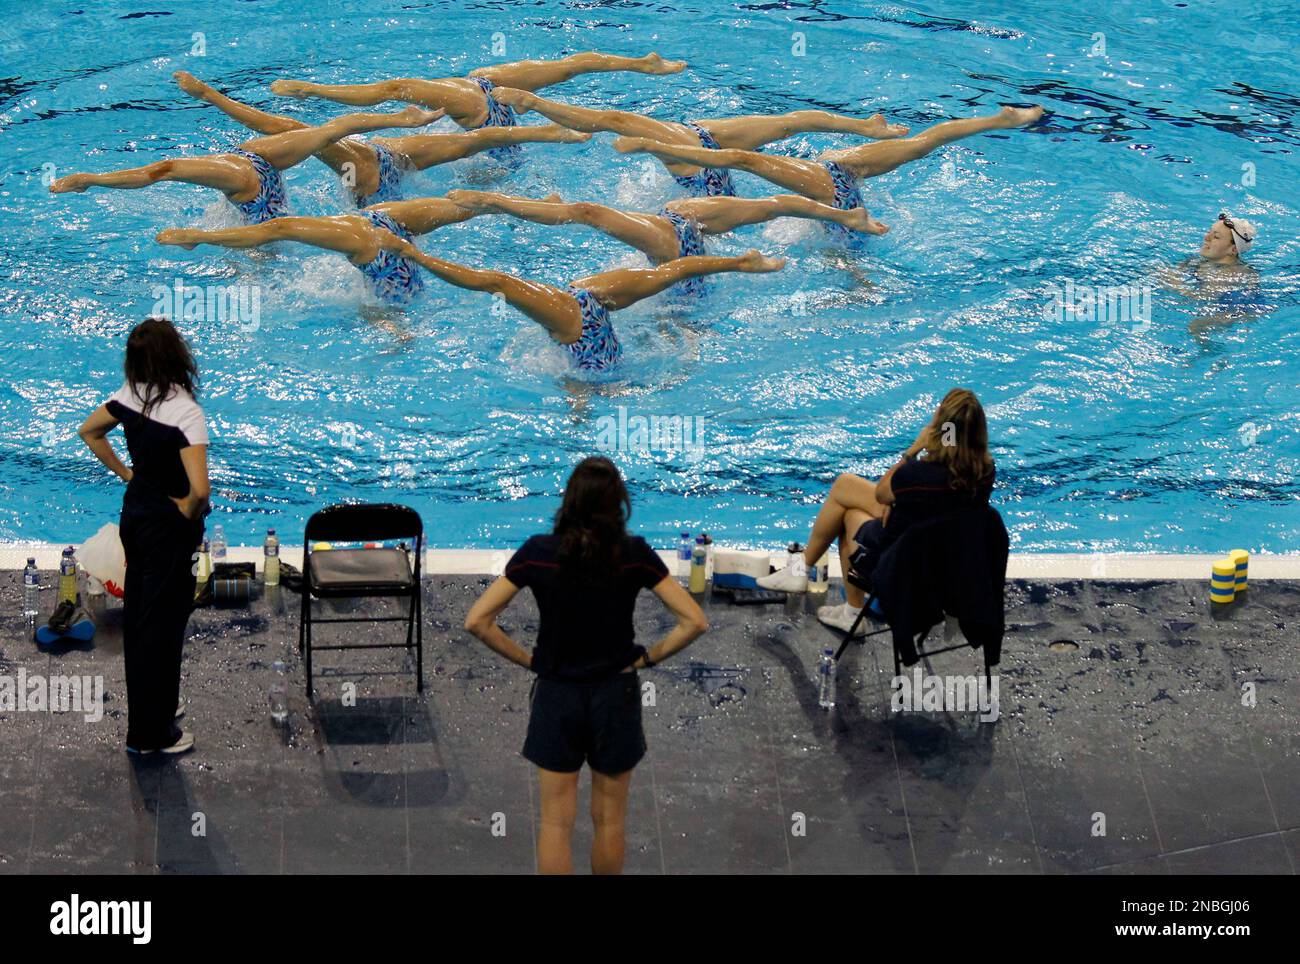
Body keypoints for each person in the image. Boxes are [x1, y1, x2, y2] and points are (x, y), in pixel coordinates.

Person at [464, 456, 708, 874]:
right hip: (616, 693)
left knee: (556, 823)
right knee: (610, 821)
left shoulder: (537, 553)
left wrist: (530, 660)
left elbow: (477, 621)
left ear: (569, 502)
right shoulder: (633, 555)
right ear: (619, 504)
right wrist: (647, 659)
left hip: (558, 693)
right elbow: (695, 621)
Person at [757, 388, 996, 635]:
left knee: (847, 513)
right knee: (845, 485)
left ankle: (846, 607)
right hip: (950, 574)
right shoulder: (985, 473)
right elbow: (941, 492)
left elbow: (883, 492)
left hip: (904, 572)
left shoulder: (917, 475)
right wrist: (901, 501)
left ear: (943, 425)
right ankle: (802, 571)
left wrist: (914, 450)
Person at [77, 318, 211, 755]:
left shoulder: (129, 396)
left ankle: (156, 712)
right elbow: (200, 490)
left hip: (135, 517)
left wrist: (127, 474)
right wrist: (186, 512)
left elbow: (89, 431)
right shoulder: (185, 411)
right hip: (168, 532)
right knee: (164, 627)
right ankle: (150, 736)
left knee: (141, 620)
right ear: (175, 355)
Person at [610, 105, 1045, 236]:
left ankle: (999, 121)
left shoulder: (842, 222)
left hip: (835, 183)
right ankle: (997, 120)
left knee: (919, 145)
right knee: (921, 143)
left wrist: (651, 145)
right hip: (838, 178)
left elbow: (743, 165)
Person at [174, 71, 590, 207]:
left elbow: (274, 125)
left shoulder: (309, 145)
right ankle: (547, 138)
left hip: (375, 179)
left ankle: (542, 155)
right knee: (471, 149)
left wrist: (209, 95)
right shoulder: (478, 92)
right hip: (391, 155)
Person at [390, 238, 785, 371]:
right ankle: (739, 262)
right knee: (669, 273)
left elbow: (576, 381)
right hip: (587, 303)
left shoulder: (603, 380)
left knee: (499, 284)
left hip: (579, 316)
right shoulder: (607, 379)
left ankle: (415, 255)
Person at [444, 188, 888, 294]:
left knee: (584, 213)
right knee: (584, 212)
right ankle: (500, 202)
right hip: (682, 241)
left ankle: (497, 202)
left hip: (681, 245)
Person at [48, 105, 441, 222]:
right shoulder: (272, 154)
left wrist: (92, 179)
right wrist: (401, 120)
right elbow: (336, 126)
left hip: (256, 229)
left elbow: (162, 170)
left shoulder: (235, 173)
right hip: (278, 217)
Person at [489, 87, 908, 197]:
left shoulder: (705, 207)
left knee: (615, 121)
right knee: (786, 124)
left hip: (698, 164)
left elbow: (610, 121)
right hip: (706, 148)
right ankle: (864, 127)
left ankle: (534, 103)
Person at [268, 51, 686, 159]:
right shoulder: (471, 86)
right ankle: (642, 65)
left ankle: (312, 90)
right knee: (564, 69)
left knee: (399, 88)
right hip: (483, 88)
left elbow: (394, 88)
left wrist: (313, 90)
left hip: (485, 111)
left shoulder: (462, 108)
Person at [155, 196, 479, 303]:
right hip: (387, 238)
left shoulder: (361, 238)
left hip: (378, 241)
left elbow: (280, 229)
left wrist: (201, 236)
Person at [1159, 212, 1261, 340]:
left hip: (1238, 311)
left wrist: (1174, 284)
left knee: (1196, 326)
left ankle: (1213, 354)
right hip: (1220, 302)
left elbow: (1202, 298)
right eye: (1209, 232)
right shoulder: (1197, 261)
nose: (1206, 238)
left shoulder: (1232, 273)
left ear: (1233, 250)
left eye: (1216, 237)